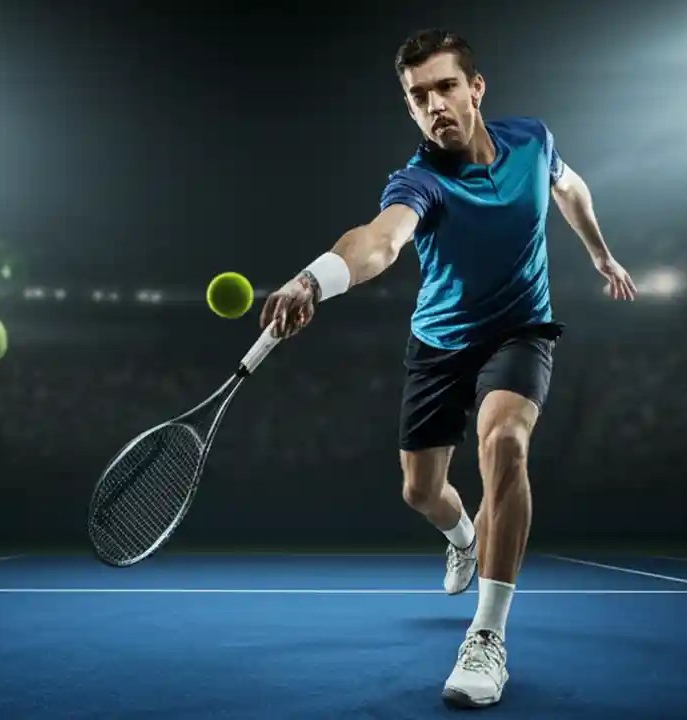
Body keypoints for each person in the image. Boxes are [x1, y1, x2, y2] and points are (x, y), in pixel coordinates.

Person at [258, 28, 637, 709]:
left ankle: (487, 638)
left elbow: (570, 188)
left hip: (520, 331)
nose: (434, 104)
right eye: (417, 96)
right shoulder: (420, 181)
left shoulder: (533, 141)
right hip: (439, 345)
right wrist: (313, 279)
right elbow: (379, 241)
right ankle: (463, 538)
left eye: (444, 87)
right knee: (419, 492)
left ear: (475, 88)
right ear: (409, 108)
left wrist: (600, 253)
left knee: (506, 444)